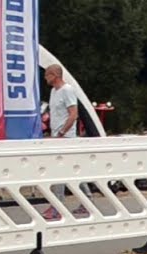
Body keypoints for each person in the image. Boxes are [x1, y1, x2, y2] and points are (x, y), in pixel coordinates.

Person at [43, 64, 83, 220]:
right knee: (72, 171)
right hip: (57, 136)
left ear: (54, 75)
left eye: (47, 75)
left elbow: (73, 114)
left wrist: (62, 132)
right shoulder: (54, 91)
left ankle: (57, 206)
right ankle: (87, 201)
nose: (45, 78)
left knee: (60, 171)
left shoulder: (67, 90)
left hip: (66, 137)